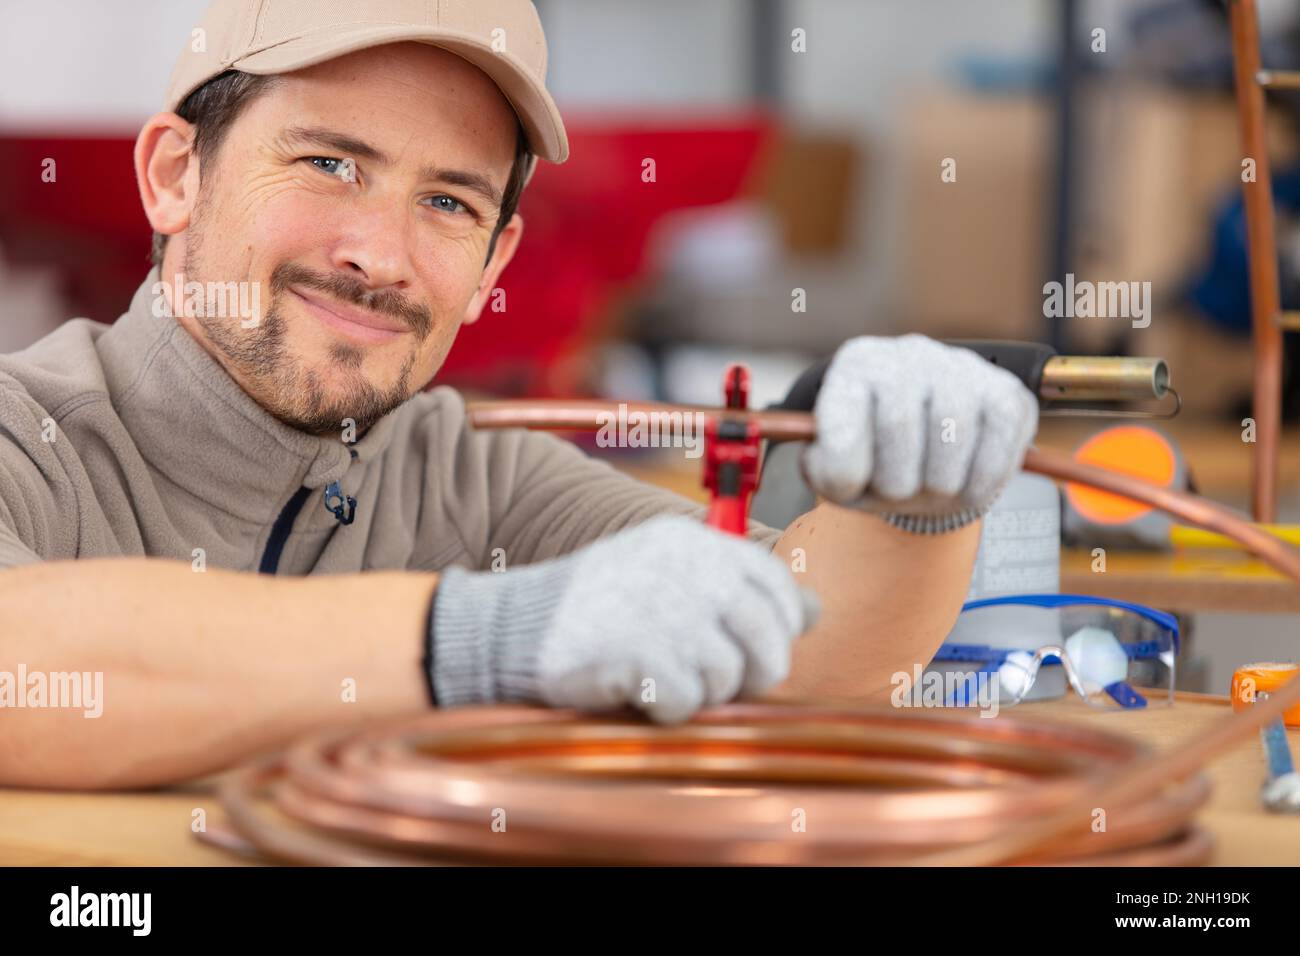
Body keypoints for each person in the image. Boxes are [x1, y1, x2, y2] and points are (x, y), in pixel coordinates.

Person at [0, 0, 1036, 788]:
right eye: (328, 163)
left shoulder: (478, 479)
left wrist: (917, 504)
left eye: (447, 202)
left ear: (495, 262)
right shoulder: (25, 433)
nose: (382, 256)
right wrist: (484, 637)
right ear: (175, 173)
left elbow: (800, 654)